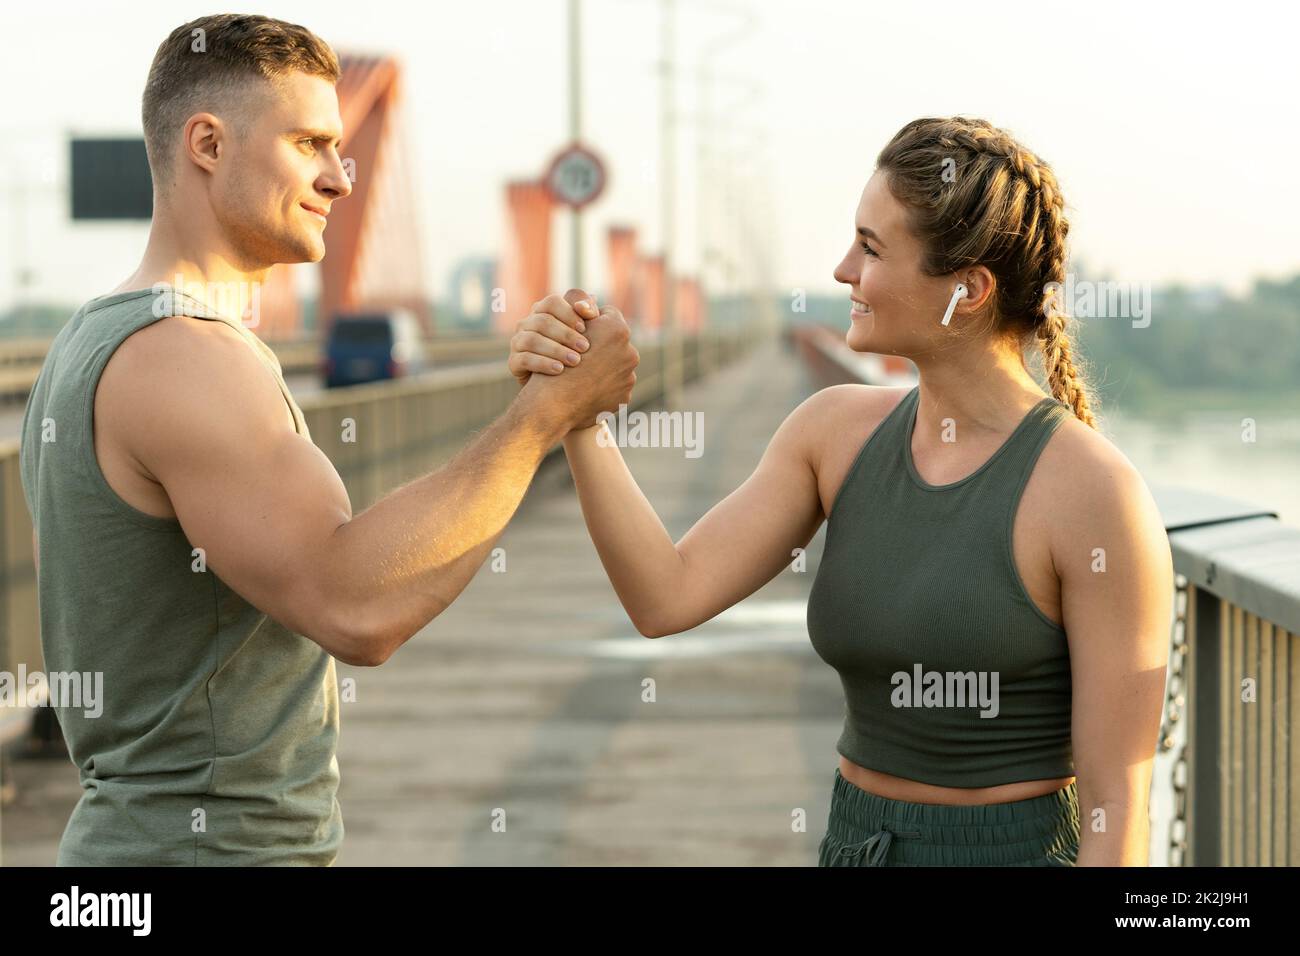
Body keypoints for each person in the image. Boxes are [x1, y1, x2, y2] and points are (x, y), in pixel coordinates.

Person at [18, 13, 637, 866]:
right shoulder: (184, 356)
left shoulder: (98, 338)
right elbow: (356, 606)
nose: (341, 179)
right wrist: (542, 419)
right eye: (310, 143)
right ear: (207, 143)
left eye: (343, 149)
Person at [509, 116, 1174, 866]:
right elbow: (665, 596)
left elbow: (1118, 809)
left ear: (969, 289)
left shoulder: (1093, 493)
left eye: (872, 247)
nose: (842, 270)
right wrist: (576, 415)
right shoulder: (832, 433)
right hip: (854, 843)